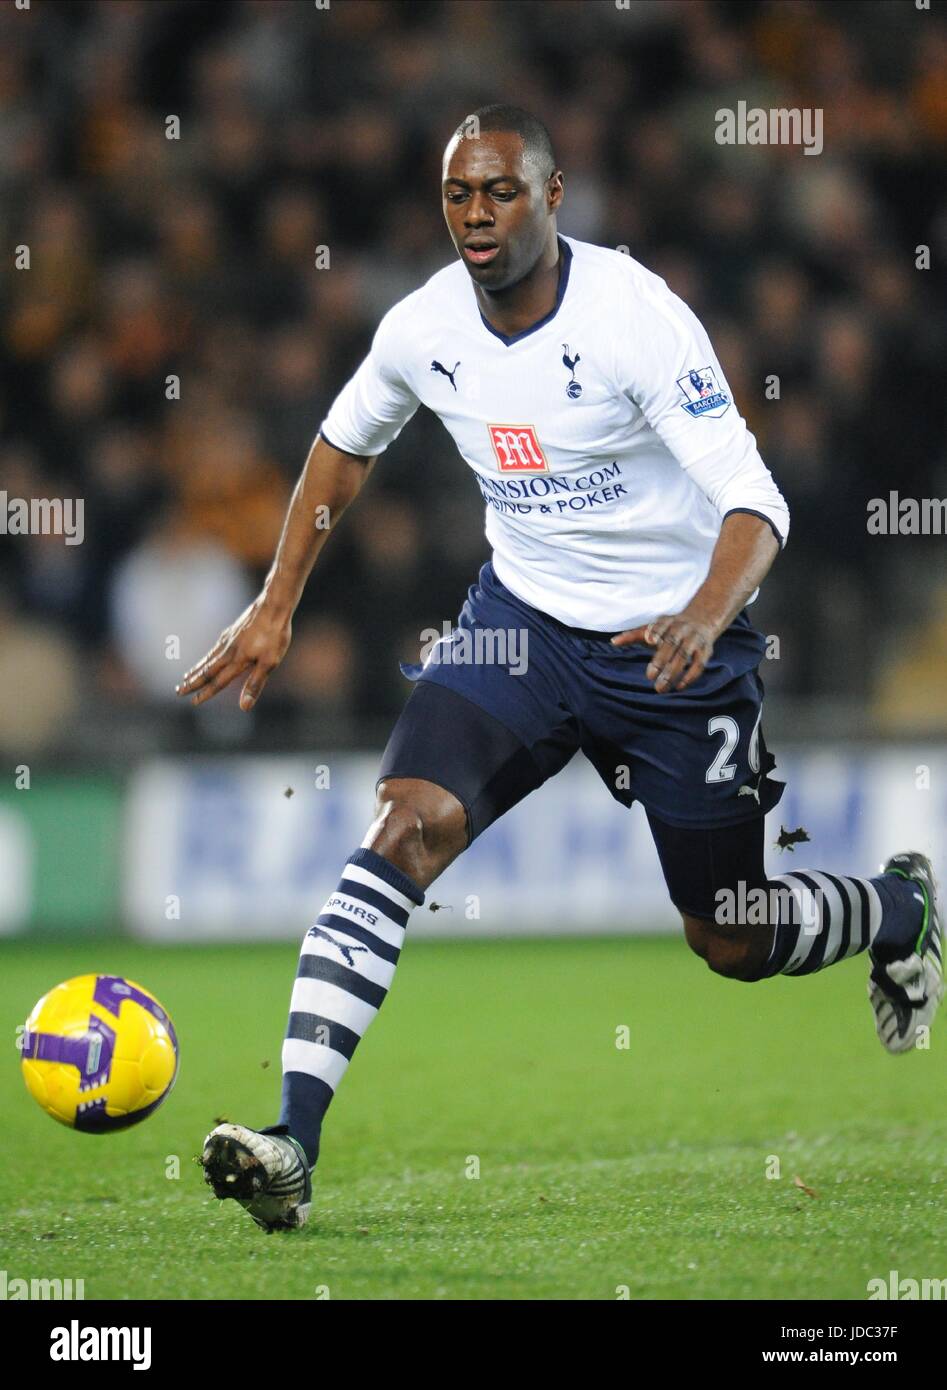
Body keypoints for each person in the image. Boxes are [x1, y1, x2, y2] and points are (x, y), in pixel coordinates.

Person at [176, 106, 943, 1232]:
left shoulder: (634, 318)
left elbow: (756, 502)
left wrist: (701, 610)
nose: (475, 215)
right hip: (523, 628)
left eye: (498, 191)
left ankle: (894, 907)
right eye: (456, 195)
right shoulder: (422, 326)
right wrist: (274, 600)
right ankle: (291, 1138)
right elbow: (343, 446)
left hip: (676, 647)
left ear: (551, 194)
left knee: (728, 932)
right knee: (402, 826)